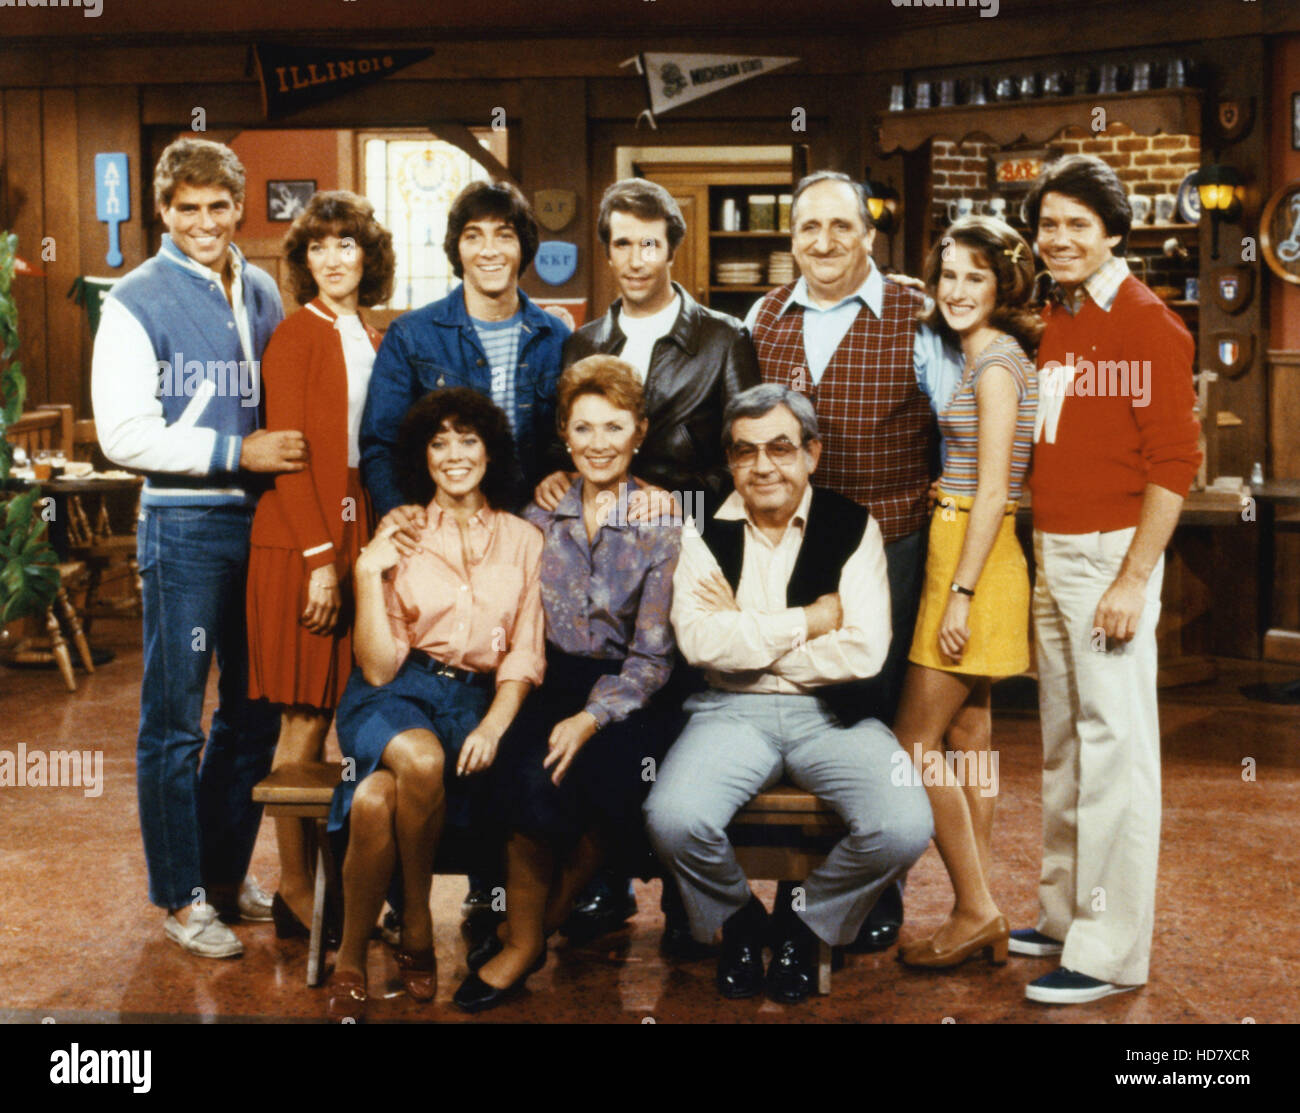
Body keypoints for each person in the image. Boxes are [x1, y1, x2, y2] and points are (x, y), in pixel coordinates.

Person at [644, 384, 933, 1004]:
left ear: (811, 454)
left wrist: (747, 629)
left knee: (904, 825)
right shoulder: (700, 530)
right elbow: (699, 645)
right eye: (745, 452)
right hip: (728, 712)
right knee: (672, 819)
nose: (763, 466)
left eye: (780, 448)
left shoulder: (854, 524)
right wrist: (809, 620)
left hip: (833, 714)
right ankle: (742, 920)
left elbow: (863, 651)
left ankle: (805, 925)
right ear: (730, 463)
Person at [533, 177, 760, 953]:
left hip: (680, 556)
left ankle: (685, 903)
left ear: (673, 246)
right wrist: (563, 482)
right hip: (598, 557)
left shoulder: (723, 337)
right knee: (593, 716)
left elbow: (740, 468)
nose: (636, 258)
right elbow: (566, 439)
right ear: (607, 251)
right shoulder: (583, 338)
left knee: (662, 728)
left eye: (650, 242)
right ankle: (603, 885)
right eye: (621, 243)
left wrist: (670, 508)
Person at [92, 137, 302, 958]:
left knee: (251, 715)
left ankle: (221, 875)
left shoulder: (257, 287)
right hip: (183, 529)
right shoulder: (132, 298)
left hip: (263, 529)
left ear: (238, 207)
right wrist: (232, 453)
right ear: (164, 212)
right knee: (176, 722)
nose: (205, 221)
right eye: (187, 208)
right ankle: (180, 897)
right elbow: (122, 434)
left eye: (219, 206)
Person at [743, 169, 959, 951]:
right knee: (804, 712)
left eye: (842, 227)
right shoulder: (761, 315)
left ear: (869, 234)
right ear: (791, 238)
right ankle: (799, 887)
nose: (825, 243)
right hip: (795, 555)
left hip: (896, 546)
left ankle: (875, 888)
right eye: (808, 229)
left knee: (874, 718)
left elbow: (962, 431)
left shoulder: (919, 313)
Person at [1012, 154, 1200, 1004]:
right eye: (1048, 224)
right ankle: (1062, 916)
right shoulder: (1062, 314)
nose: (1059, 238)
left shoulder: (1147, 323)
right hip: (1055, 549)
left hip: (1108, 556)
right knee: (1065, 744)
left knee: (1115, 750)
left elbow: (1176, 462)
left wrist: (1133, 577)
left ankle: (1110, 950)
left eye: (1078, 225)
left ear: (1114, 232)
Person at [359, 180, 568, 933]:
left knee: (508, 708)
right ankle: (394, 885)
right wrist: (402, 520)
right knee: (425, 693)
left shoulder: (554, 330)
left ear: (523, 248)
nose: (490, 249)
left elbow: (562, 437)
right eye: (474, 235)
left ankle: (492, 887)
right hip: (435, 536)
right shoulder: (416, 335)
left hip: (519, 539)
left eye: (505, 235)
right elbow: (383, 442)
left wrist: (557, 478)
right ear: (457, 248)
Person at [454, 356, 684, 1012]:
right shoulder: (537, 513)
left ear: (639, 431)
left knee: (605, 770)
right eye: (583, 428)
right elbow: (515, 616)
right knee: (526, 773)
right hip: (553, 678)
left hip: (633, 688)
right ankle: (524, 941)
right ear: (564, 433)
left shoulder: (662, 517)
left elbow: (655, 655)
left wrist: (592, 715)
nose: (599, 443)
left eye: (614, 427)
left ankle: (535, 929)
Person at [324, 387, 545, 1022]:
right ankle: (417, 920)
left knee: (373, 799)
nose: (454, 455)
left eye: (468, 440)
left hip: (473, 700)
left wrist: (497, 725)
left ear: (490, 451)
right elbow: (377, 665)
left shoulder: (525, 539)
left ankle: (348, 959)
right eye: (439, 442)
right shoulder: (400, 533)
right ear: (422, 456)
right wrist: (368, 572)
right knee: (418, 761)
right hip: (393, 695)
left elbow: (524, 654)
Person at [889, 216, 1040, 969]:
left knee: (912, 740)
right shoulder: (981, 355)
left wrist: (959, 595)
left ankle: (975, 904)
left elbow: (993, 492)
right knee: (972, 739)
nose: (955, 289)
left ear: (1003, 283)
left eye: (974, 276)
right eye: (947, 274)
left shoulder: (998, 365)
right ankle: (982, 906)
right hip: (963, 541)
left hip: (975, 559)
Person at [245, 191, 395, 937]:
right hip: (302, 535)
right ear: (304, 262)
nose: (334, 259)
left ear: (368, 257)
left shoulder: (367, 332)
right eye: (319, 248)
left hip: (351, 522)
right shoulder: (296, 336)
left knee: (343, 716)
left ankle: (333, 881)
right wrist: (317, 560)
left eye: (348, 246)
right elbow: (291, 456)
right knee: (302, 722)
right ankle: (294, 889)